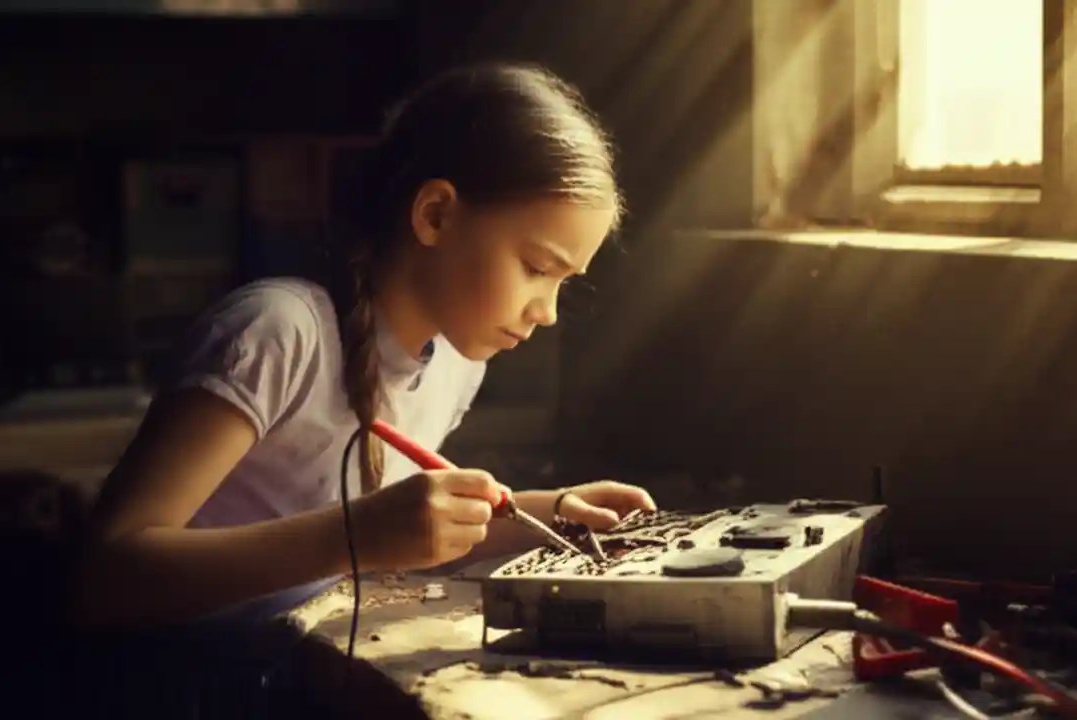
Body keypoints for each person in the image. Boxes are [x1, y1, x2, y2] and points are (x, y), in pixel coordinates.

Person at [71, 62, 657, 632]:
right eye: (535, 267)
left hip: (292, 668)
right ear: (436, 215)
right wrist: (351, 537)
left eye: (562, 282)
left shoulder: (452, 364)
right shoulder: (277, 333)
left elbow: (401, 537)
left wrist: (548, 515)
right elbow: (105, 579)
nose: (548, 312)